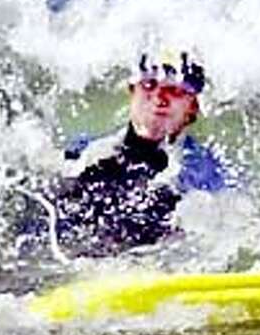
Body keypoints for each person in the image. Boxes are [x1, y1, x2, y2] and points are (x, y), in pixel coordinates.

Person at [15, 49, 228, 257]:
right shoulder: (87, 153)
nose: (159, 97)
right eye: (149, 85)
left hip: (145, 262)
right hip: (65, 256)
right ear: (132, 91)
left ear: (193, 106)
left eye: (174, 89)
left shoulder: (204, 171)